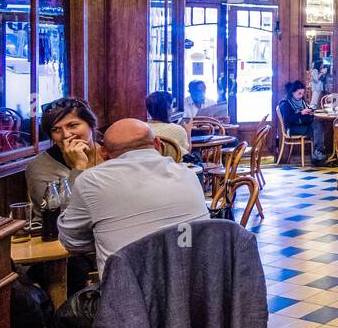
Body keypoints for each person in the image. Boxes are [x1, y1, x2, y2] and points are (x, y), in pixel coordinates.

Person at [59, 119, 210, 276]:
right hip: (202, 290)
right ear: (158, 144)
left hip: (130, 295)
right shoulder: (188, 174)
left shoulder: (91, 181)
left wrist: (77, 169)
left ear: (103, 153)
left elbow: (71, 242)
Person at [25, 98, 102, 211]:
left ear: (91, 124)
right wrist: (78, 167)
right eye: (56, 130)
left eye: (72, 125)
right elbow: (63, 214)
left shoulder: (111, 152)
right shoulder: (40, 167)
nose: (66, 135)